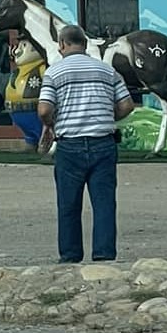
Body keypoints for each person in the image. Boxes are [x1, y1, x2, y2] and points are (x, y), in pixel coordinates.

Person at [37, 24, 136, 263]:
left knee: (69, 205)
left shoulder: (55, 72)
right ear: (84, 44)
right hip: (104, 143)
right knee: (104, 204)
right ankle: (104, 255)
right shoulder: (107, 71)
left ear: (62, 44)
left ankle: (70, 257)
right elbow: (127, 105)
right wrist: (104, 115)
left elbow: (44, 109)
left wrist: (50, 123)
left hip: (70, 146)